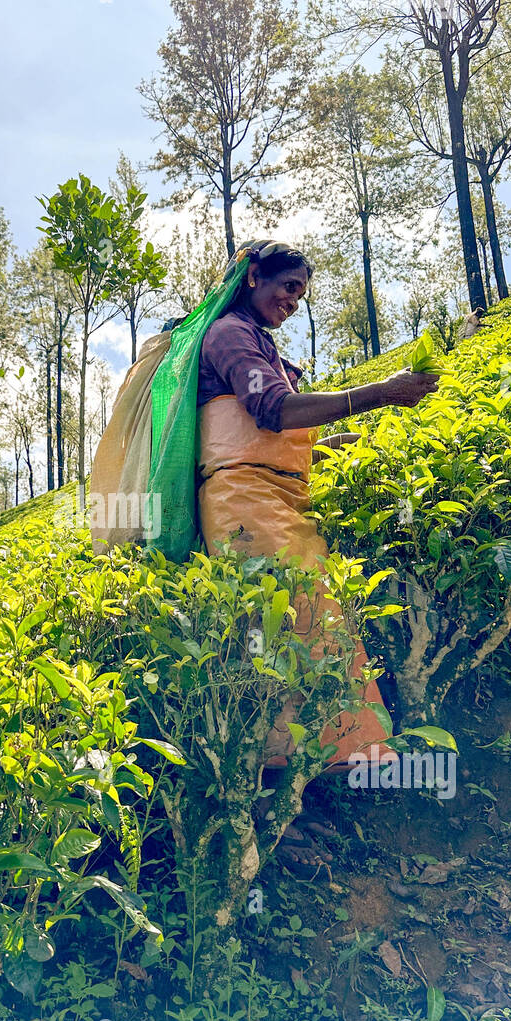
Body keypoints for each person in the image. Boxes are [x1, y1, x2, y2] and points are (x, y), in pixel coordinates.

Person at [194, 239, 440, 778]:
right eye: (288, 287)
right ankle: (272, 778)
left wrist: (335, 443)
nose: (294, 302)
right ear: (254, 276)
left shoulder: (258, 341)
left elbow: (268, 434)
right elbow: (271, 411)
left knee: (317, 623)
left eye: (301, 293)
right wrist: (379, 392)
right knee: (279, 628)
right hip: (245, 501)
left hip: (281, 497)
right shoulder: (229, 333)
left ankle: (323, 766)